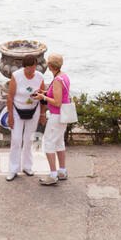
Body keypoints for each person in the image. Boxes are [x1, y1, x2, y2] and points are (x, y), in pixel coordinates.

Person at [6, 57, 45, 180]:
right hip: (17, 110)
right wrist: (10, 116)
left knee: (29, 140)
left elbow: (43, 97)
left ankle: (27, 166)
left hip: (34, 111)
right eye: (30, 67)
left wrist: (43, 115)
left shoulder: (39, 77)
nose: (33, 69)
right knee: (16, 139)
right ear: (25, 67)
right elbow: (10, 97)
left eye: (34, 66)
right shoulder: (16, 76)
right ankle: (13, 169)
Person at [37, 52, 71, 185]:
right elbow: (61, 95)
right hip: (63, 116)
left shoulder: (57, 80)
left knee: (48, 143)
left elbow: (57, 102)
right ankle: (62, 171)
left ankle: (53, 175)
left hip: (56, 116)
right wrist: (45, 93)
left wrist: (43, 98)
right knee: (59, 142)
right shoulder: (64, 76)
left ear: (50, 66)